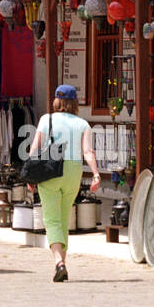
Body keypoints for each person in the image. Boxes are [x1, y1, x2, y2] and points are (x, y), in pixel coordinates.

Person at [27, 85, 102, 282]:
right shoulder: (83, 124)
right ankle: (61, 266)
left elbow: (34, 149)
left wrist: (29, 176)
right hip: (73, 171)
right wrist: (95, 174)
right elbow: (88, 152)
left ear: (56, 101)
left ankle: (59, 262)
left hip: (50, 169)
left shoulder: (46, 119)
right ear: (75, 102)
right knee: (63, 219)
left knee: (51, 220)